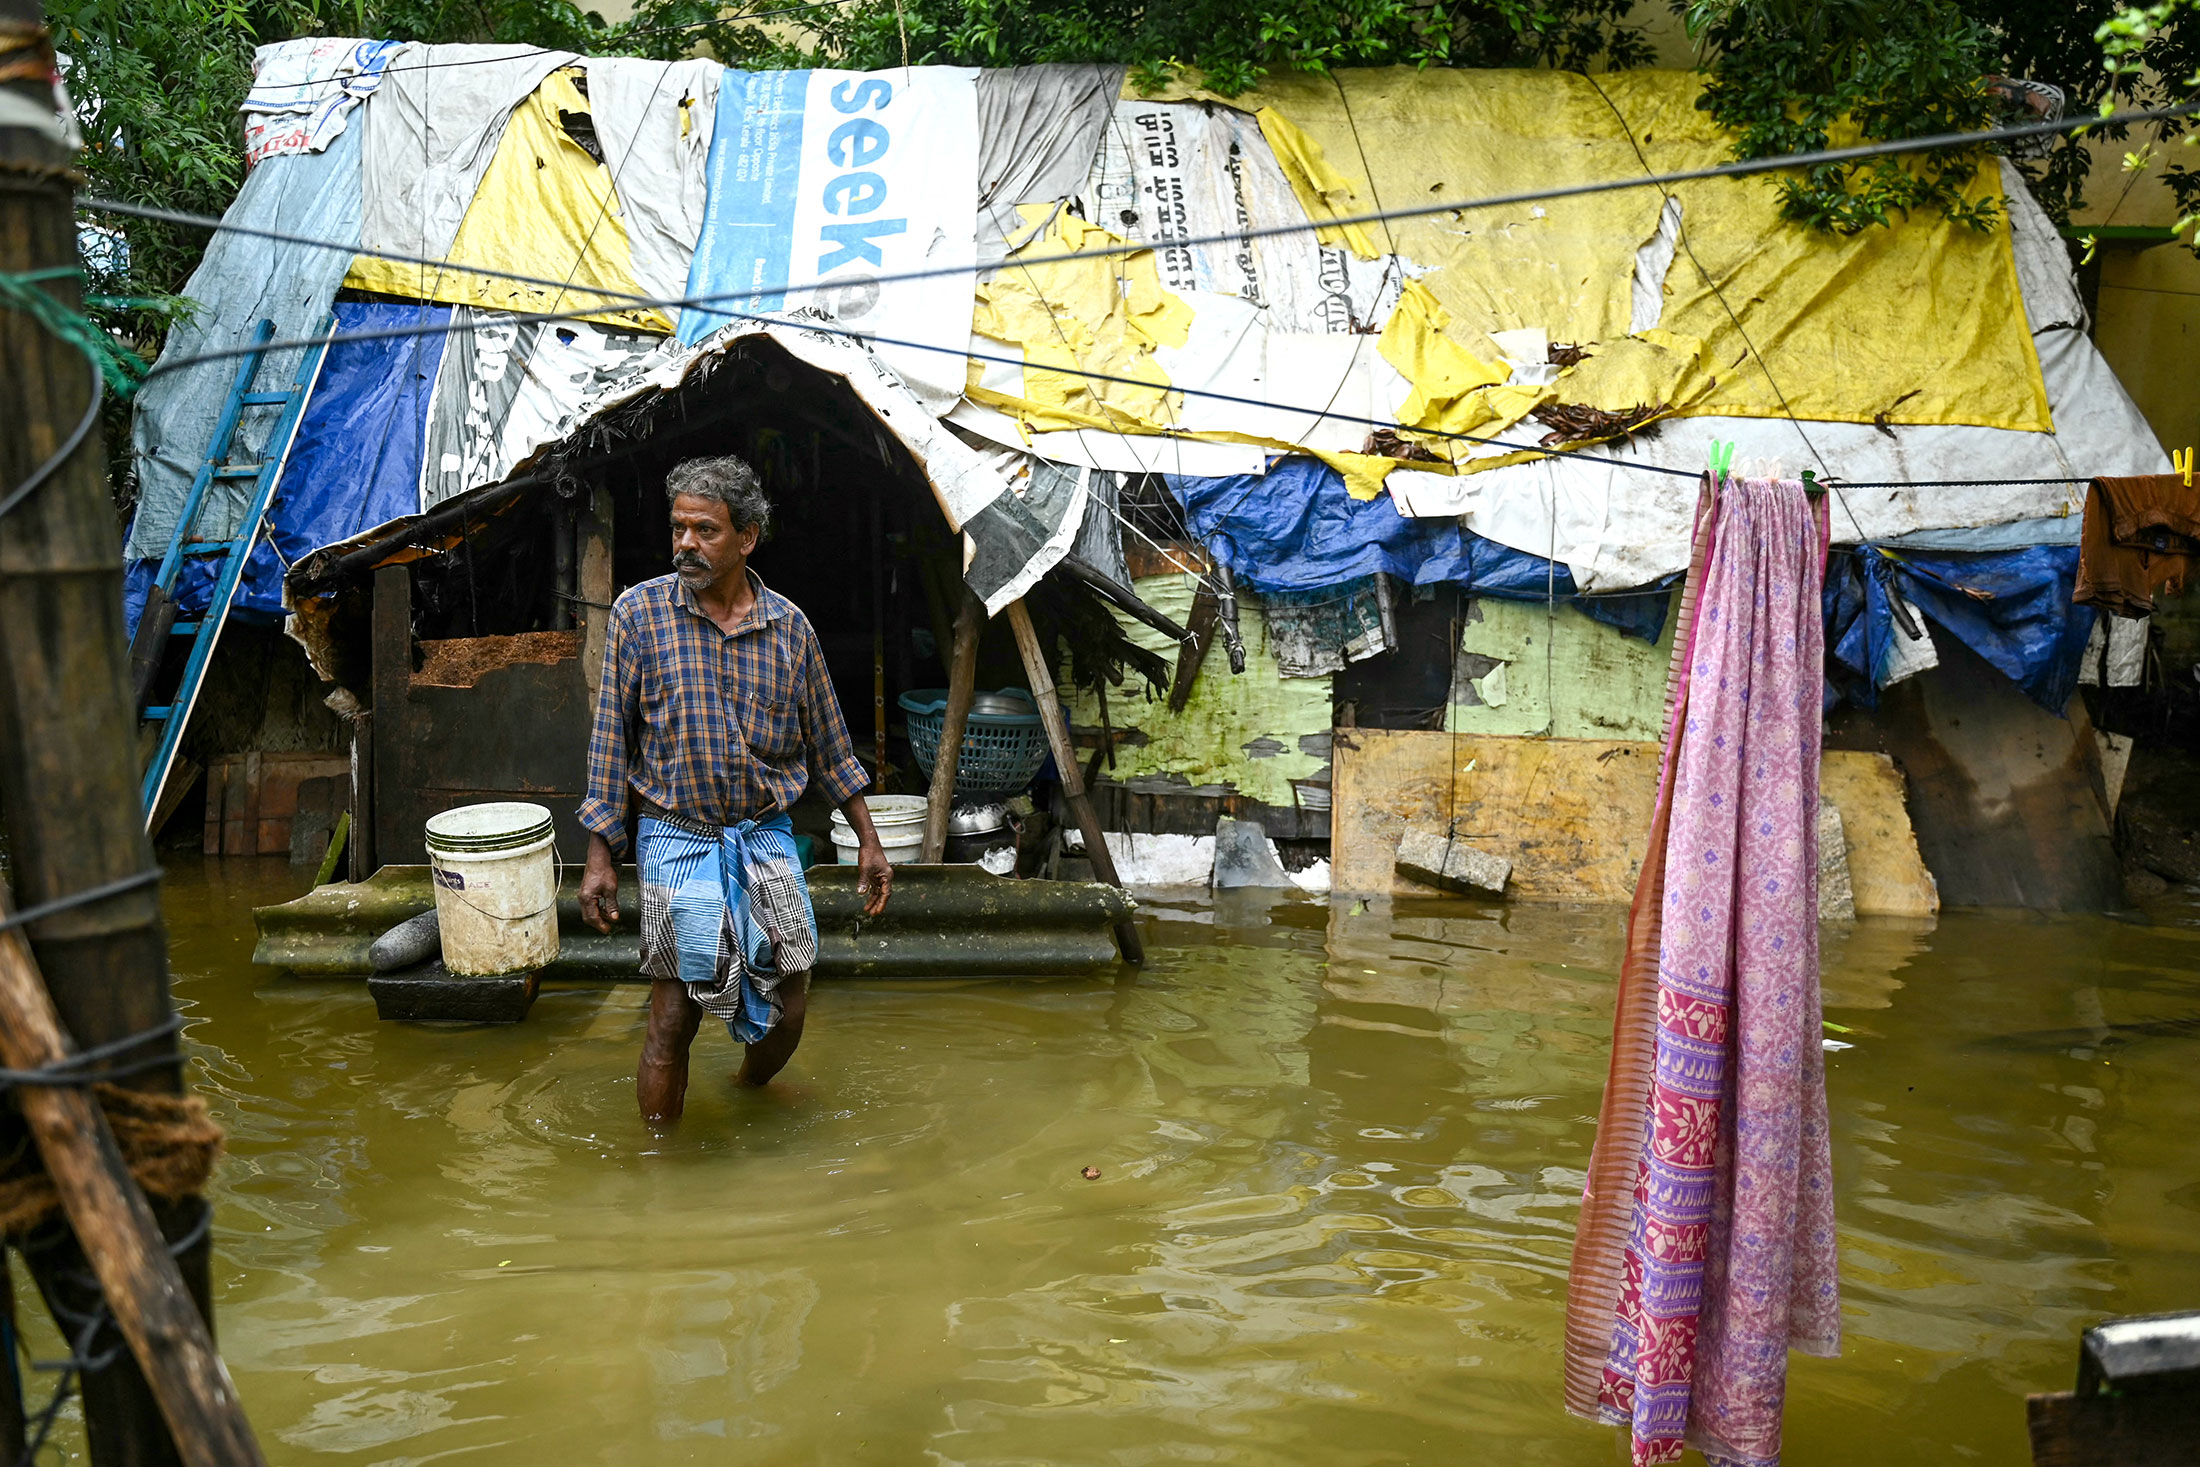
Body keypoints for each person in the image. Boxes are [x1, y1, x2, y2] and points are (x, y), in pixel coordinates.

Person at [576, 455, 892, 1123]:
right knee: (673, 1012)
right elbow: (611, 742)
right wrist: (600, 857)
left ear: (746, 537)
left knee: (793, 996)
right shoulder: (639, 616)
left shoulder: (790, 629)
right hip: (674, 829)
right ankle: (661, 1175)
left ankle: (750, 1089)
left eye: (705, 530)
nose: (685, 543)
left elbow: (832, 747)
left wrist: (869, 841)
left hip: (762, 829)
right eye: (678, 528)